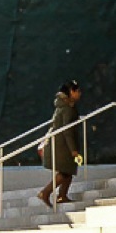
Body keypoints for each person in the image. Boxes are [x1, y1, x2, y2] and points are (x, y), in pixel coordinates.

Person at [36, 80, 82, 209]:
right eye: (77, 91)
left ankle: (62, 195)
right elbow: (67, 130)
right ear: (71, 92)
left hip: (60, 143)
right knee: (66, 171)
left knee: (69, 169)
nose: (79, 94)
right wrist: (73, 150)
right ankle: (45, 192)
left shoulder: (64, 106)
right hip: (62, 145)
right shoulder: (67, 108)